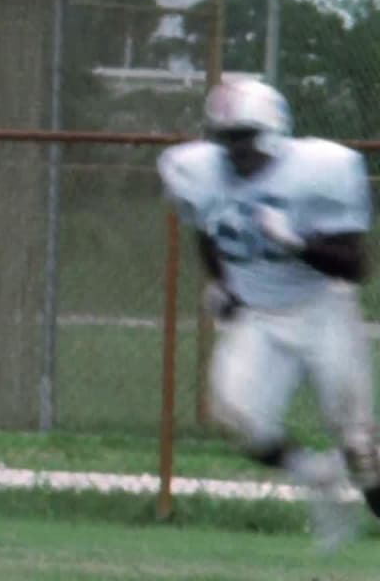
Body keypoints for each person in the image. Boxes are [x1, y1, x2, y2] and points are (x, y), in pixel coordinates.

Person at [157, 78, 380, 550]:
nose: (233, 150)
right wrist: (222, 282)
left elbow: (357, 266)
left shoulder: (321, 168)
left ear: (273, 132)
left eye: (243, 136)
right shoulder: (197, 173)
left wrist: (296, 242)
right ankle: (317, 478)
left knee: (361, 448)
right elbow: (207, 228)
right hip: (258, 315)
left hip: (323, 308)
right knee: (236, 415)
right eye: (225, 138)